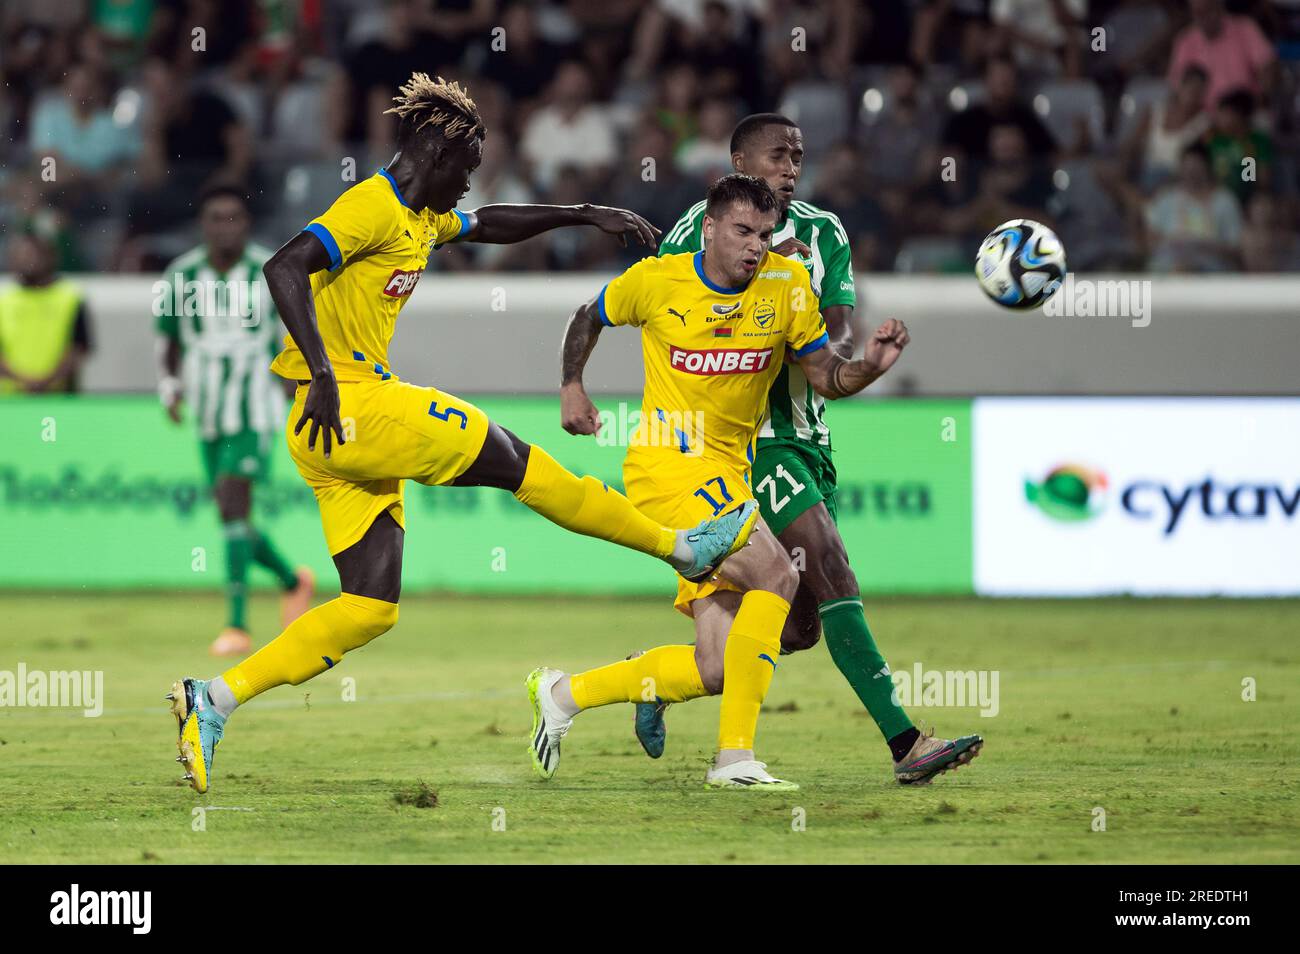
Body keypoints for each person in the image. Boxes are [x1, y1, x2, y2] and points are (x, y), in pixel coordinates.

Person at [167, 74, 757, 794]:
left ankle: (213, 700)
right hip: (346, 403)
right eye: (467, 168)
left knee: (369, 607)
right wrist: (321, 370)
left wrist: (582, 214)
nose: (470, 183)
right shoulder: (372, 207)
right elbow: (283, 264)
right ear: (437, 148)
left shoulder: (421, 215)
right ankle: (683, 549)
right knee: (515, 460)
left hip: (332, 430)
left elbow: (491, 223)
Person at [530, 174, 951, 791]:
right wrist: (572, 386)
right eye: (742, 231)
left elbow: (825, 374)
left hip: (729, 472)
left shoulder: (786, 287)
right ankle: (734, 760)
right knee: (779, 574)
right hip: (667, 466)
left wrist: (869, 368)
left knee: (718, 665)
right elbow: (585, 317)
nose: (755, 245)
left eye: (764, 233)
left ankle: (563, 696)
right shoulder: (658, 280)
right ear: (709, 229)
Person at [643, 114, 984, 785]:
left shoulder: (825, 232)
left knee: (795, 629)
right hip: (747, 441)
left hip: (809, 434)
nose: (791, 167)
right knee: (832, 567)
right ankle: (907, 744)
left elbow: (832, 335)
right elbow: (674, 309)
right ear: (738, 161)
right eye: (777, 155)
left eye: (798, 156)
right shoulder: (697, 229)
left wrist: (839, 334)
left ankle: (656, 680)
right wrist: (762, 278)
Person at [155, 183, 314, 657]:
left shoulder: (270, 270)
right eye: (215, 218)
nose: (225, 226)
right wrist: (169, 386)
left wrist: (301, 386)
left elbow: (290, 335)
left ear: (246, 224)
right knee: (231, 513)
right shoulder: (181, 276)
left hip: (254, 405)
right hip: (207, 407)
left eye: (234, 217)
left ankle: (238, 626)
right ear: (203, 225)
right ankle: (291, 579)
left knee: (231, 497)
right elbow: (169, 341)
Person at [0, 233, 92, 395]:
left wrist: (48, 381)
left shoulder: (70, 297)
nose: (27, 261)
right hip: (10, 400)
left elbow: (79, 348)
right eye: (21, 255)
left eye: (32, 255)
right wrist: (22, 380)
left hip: (60, 398)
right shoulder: (4, 300)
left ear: (50, 257)